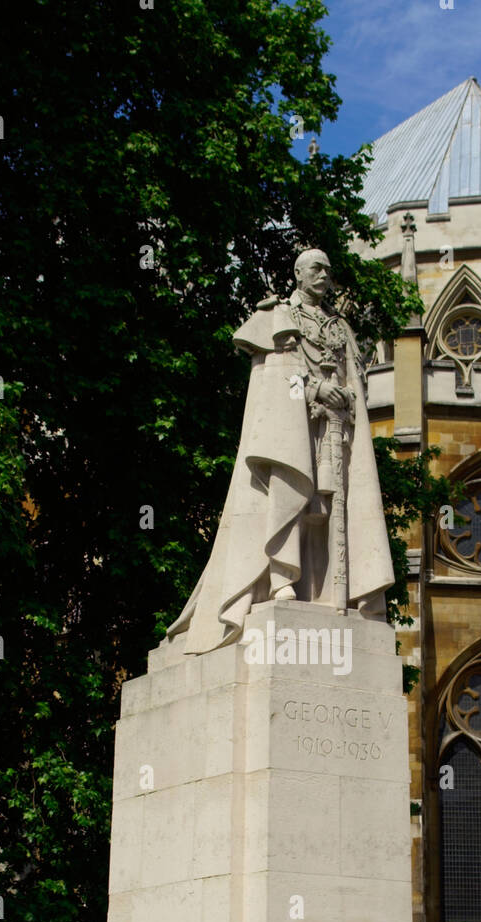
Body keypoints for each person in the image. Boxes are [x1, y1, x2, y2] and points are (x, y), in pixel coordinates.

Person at [167, 248, 394, 653]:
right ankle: (282, 580)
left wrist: (340, 395)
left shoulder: (340, 327)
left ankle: (323, 589)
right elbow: (278, 381)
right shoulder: (280, 318)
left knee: (323, 511)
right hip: (291, 426)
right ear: (298, 274)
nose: (324, 275)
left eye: (328, 269)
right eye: (316, 269)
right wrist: (312, 389)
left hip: (334, 428)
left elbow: (351, 378)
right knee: (288, 494)